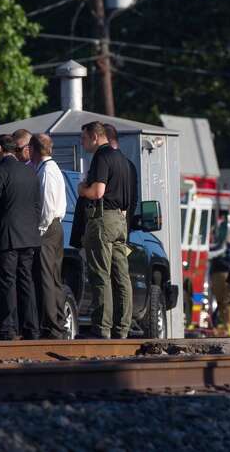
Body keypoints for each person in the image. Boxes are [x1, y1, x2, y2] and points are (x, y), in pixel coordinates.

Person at [0, 134, 41, 340]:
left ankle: (8, 327)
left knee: (7, 282)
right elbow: (36, 205)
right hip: (29, 236)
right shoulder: (30, 172)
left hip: (7, 236)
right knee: (27, 281)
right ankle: (31, 327)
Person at [78, 122, 132, 339]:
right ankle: (123, 328)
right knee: (122, 277)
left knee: (101, 275)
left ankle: (102, 328)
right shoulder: (123, 160)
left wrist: (82, 189)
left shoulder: (101, 157)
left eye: (83, 138)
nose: (82, 143)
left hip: (102, 220)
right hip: (121, 220)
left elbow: (97, 191)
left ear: (94, 136)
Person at [31, 133, 69, 338]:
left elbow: (47, 205)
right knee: (54, 277)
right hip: (56, 227)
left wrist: (40, 229)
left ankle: (51, 325)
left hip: (48, 229)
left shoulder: (46, 171)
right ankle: (57, 322)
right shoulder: (53, 168)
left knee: (47, 278)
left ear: (35, 150)